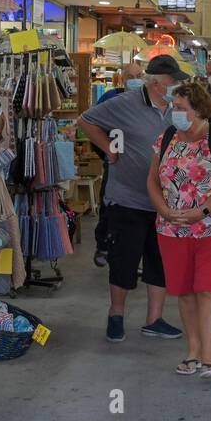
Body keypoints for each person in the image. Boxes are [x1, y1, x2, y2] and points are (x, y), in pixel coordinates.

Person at [78, 55, 188, 343]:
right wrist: (108, 149)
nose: (176, 86)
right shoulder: (124, 103)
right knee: (123, 261)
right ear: (155, 83)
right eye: (172, 82)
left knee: (159, 262)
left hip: (165, 203)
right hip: (127, 198)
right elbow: (86, 120)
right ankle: (116, 316)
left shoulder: (176, 109)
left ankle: (155, 319)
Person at [147, 79, 211, 379]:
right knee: (184, 292)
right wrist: (163, 210)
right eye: (174, 107)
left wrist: (201, 212)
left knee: (208, 290)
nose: (175, 112)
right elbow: (152, 180)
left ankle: (209, 359)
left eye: (181, 108)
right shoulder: (166, 138)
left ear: (199, 110)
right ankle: (193, 352)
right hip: (172, 230)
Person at [91, 62, 144, 267]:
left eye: (138, 75)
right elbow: (92, 124)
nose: (135, 79)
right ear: (122, 78)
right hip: (115, 164)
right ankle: (103, 243)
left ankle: (136, 253)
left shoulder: (149, 100)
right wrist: (107, 151)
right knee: (109, 203)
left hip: (142, 164)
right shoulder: (110, 98)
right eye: (130, 76)